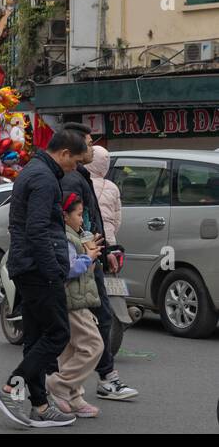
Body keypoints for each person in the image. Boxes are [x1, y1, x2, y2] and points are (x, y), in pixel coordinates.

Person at [0, 128, 88, 429]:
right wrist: (53, 269)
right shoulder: (44, 179)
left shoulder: (35, 170)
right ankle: (9, 389)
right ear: (65, 154)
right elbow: (38, 230)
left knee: (34, 339)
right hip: (38, 269)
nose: (76, 168)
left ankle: (41, 406)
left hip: (27, 265)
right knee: (58, 334)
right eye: (76, 162)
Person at [61, 126, 138, 402]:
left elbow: (94, 219)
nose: (93, 148)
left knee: (91, 322)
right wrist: (90, 250)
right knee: (96, 320)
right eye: (90, 143)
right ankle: (83, 382)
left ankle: (74, 385)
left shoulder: (81, 175)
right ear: (76, 146)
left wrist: (105, 250)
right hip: (82, 258)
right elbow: (75, 221)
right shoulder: (72, 179)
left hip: (92, 254)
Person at [45, 192, 105, 418]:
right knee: (93, 345)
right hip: (72, 301)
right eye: (79, 215)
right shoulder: (66, 238)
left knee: (71, 350)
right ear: (65, 215)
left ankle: (73, 395)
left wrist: (90, 255)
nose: (82, 219)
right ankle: (60, 384)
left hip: (76, 300)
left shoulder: (74, 236)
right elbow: (68, 270)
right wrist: (87, 257)